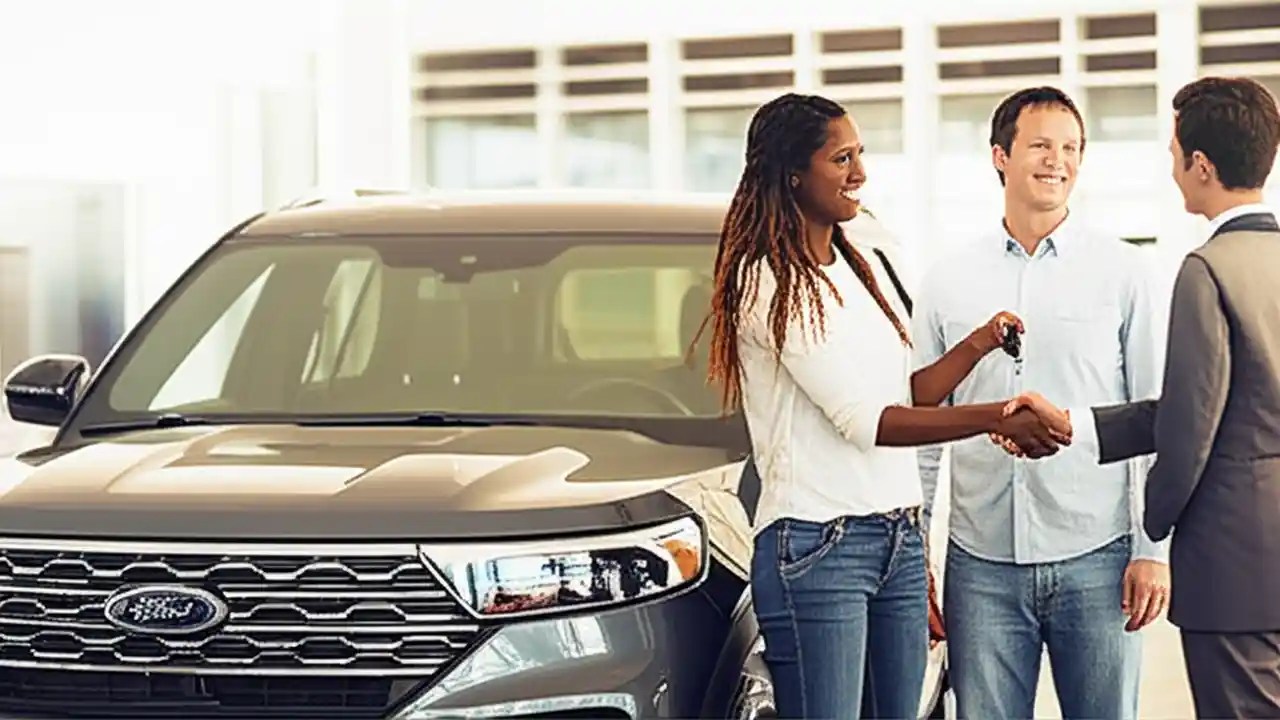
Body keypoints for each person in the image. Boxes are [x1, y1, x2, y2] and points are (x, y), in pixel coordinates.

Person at [700, 91, 1069, 720]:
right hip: (818, 547)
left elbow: (911, 395)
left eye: (860, 155)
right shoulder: (767, 281)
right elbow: (867, 421)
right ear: (793, 173)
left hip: (894, 537)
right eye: (841, 159)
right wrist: (996, 416)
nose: (860, 174)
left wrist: (979, 342)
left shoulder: (857, 263)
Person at [1006, 75, 1280, 719]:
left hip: (1233, 566)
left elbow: (1188, 422)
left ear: (1202, 166)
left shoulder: (1208, 268)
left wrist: (1150, 525)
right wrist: (1075, 422)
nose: (1173, 168)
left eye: (1174, 153)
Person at [910, 86, 1171, 720]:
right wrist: (915, 558)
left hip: (1098, 557)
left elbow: (1156, 418)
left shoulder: (1124, 273)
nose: (1058, 160)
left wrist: (1150, 552)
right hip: (980, 568)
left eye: (1071, 148)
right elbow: (923, 429)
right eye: (1041, 145)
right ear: (1000, 155)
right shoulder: (946, 279)